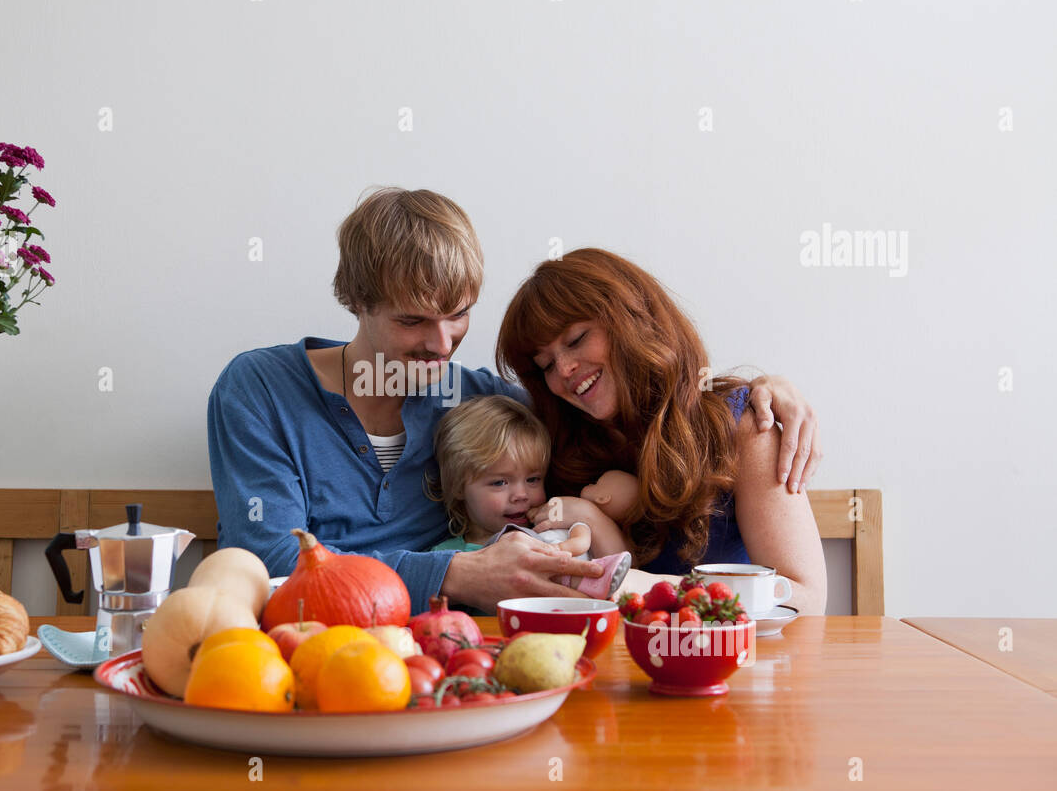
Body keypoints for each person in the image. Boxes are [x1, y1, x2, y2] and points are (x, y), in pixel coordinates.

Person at [207, 188, 822, 614]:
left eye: (458, 316)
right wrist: (457, 574)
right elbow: (271, 561)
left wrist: (765, 391)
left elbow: (651, 421)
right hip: (317, 649)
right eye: (413, 321)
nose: (440, 345)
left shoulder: (487, 404)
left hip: (465, 656)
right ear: (355, 301)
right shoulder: (260, 390)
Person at [496, 248, 828, 614]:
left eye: (576, 339)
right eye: (545, 365)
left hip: (736, 664)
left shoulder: (743, 426)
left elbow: (808, 600)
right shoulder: (557, 449)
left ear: (632, 319)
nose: (564, 370)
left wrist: (640, 584)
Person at [425, 394, 632, 599]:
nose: (521, 495)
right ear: (458, 487)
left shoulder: (550, 529)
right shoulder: (448, 558)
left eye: (533, 479)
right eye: (499, 482)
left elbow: (622, 569)